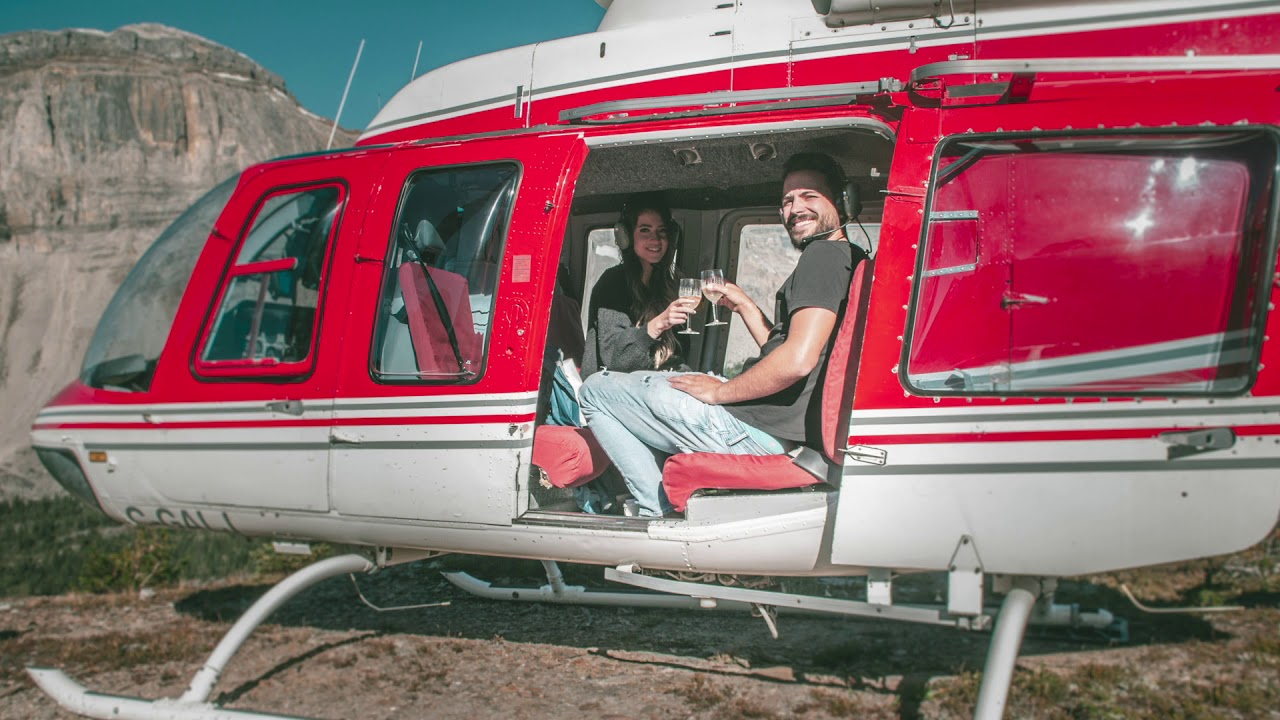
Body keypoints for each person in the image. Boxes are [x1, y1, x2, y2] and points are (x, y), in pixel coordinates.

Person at [579, 153, 860, 517]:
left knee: (595, 390)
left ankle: (654, 512)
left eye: (809, 196)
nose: (795, 208)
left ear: (842, 202)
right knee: (671, 382)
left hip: (747, 429)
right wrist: (744, 304)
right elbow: (785, 349)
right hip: (769, 426)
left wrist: (720, 391)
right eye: (788, 200)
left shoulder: (821, 257)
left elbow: (797, 360)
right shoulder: (845, 257)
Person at [582, 196, 700, 377]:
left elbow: (679, 353)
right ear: (626, 237)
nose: (656, 240)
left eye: (662, 231)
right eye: (645, 230)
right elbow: (616, 360)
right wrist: (660, 323)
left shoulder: (668, 285)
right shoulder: (613, 282)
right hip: (613, 388)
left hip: (655, 383)